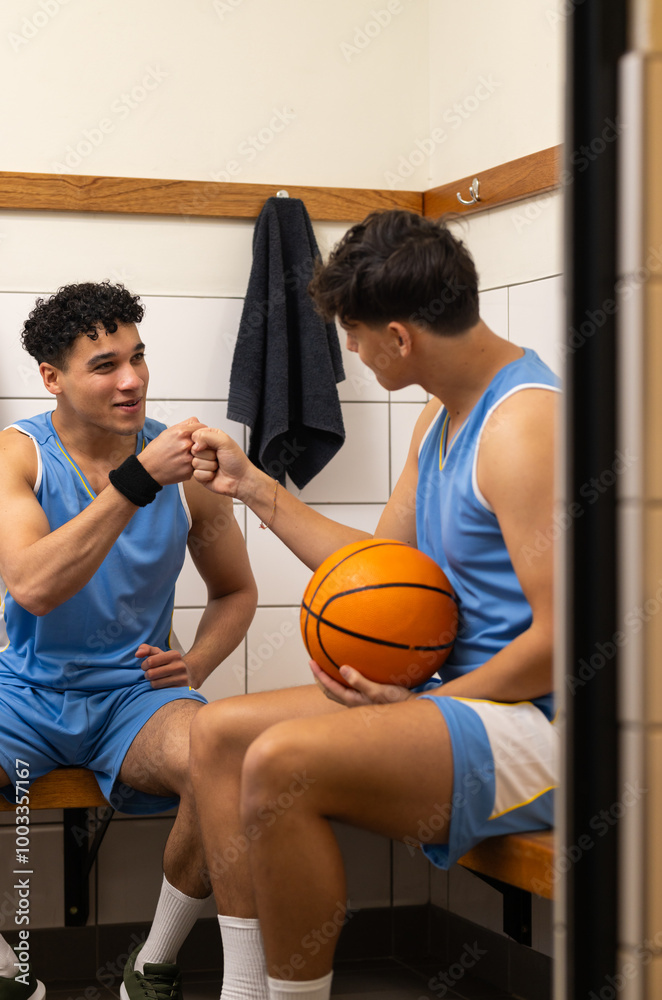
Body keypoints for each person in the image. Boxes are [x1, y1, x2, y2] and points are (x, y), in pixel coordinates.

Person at [187, 209, 560, 1000]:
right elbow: (379, 571)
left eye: (353, 337)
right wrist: (253, 484)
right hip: (455, 702)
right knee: (219, 733)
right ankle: (246, 989)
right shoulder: (440, 411)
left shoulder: (525, 426)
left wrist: (410, 707)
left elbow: (567, 639)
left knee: (284, 761)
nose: (349, 354)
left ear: (399, 337)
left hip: (546, 719)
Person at [0, 282, 257, 1000]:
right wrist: (137, 482)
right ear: (52, 378)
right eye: (105, 364)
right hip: (22, 691)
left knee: (227, 763)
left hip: (134, 699)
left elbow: (236, 591)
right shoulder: (18, 456)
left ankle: (153, 964)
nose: (133, 380)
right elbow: (34, 586)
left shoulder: (181, 464)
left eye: (138, 358)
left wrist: (194, 663)